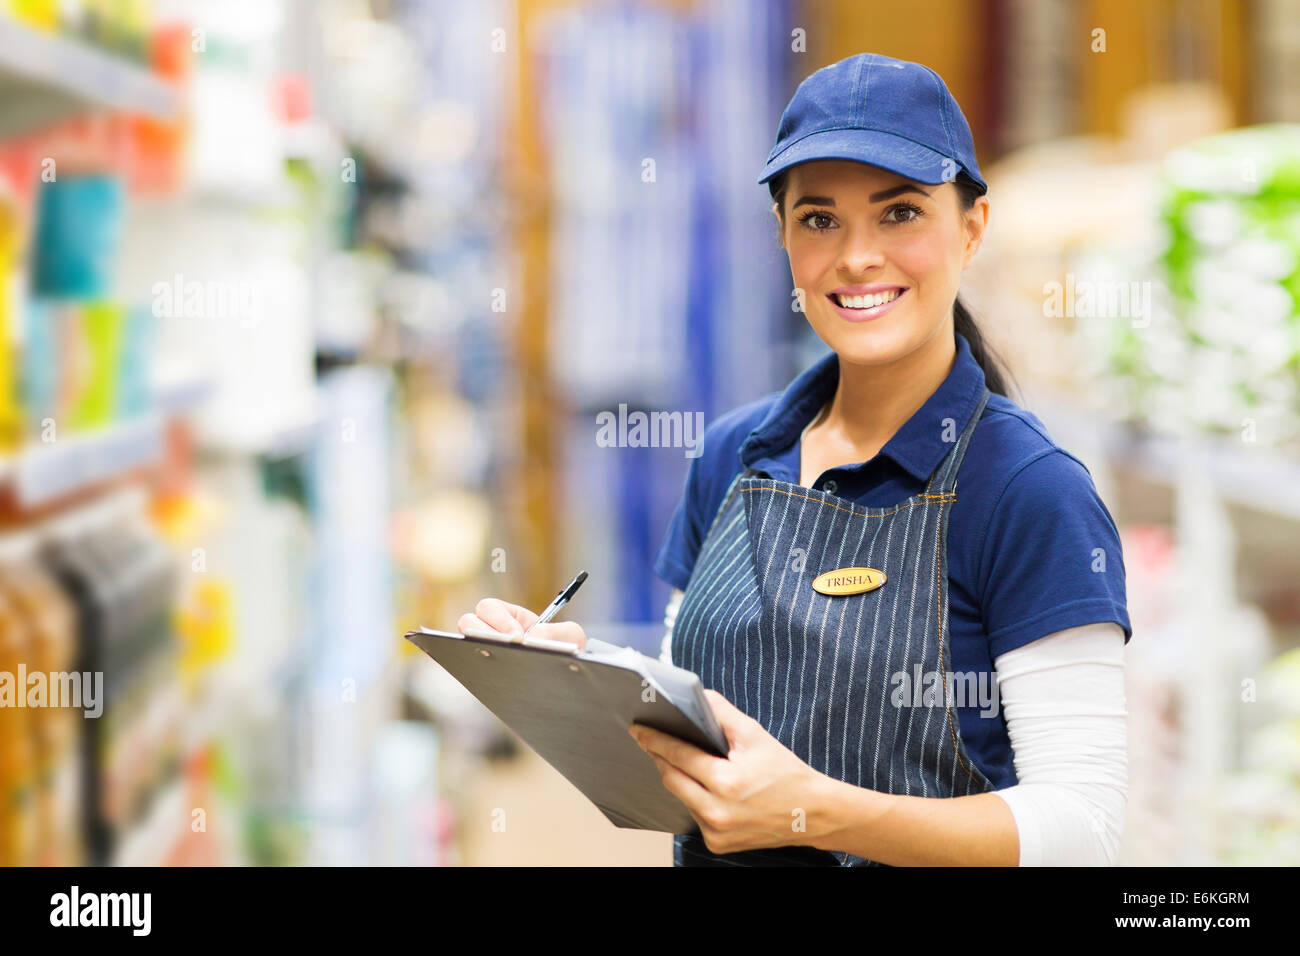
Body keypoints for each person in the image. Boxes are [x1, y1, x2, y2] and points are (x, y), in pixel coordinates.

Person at [461, 52, 1131, 867]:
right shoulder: (732, 457)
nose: (856, 258)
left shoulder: (1027, 491)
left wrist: (815, 813)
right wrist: (577, 681)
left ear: (971, 227)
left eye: (901, 214)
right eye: (819, 219)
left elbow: (1085, 829)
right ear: (783, 234)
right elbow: (703, 724)